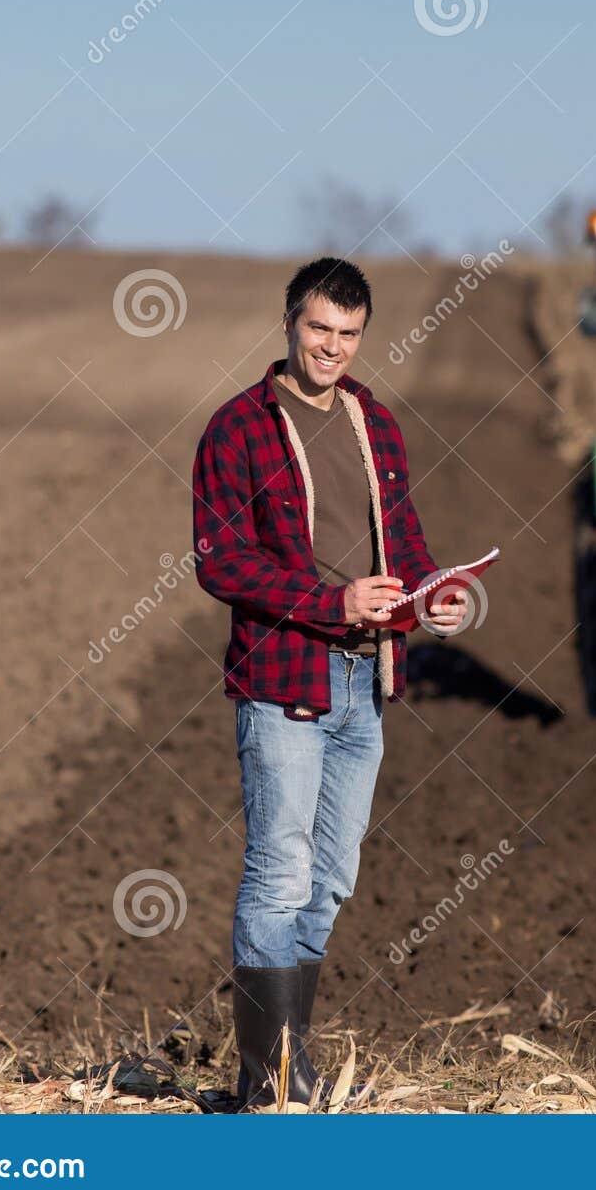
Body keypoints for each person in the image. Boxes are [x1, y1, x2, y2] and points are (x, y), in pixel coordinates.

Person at [191, 257, 466, 1109]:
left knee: (331, 877)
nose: (333, 347)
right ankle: (262, 1075)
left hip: (363, 682)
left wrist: (432, 598)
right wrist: (328, 600)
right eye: (320, 329)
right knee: (279, 870)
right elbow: (220, 560)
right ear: (288, 324)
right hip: (284, 681)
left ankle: (289, 1058)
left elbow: (405, 541)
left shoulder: (374, 423)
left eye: (349, 334)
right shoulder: (238, 427)